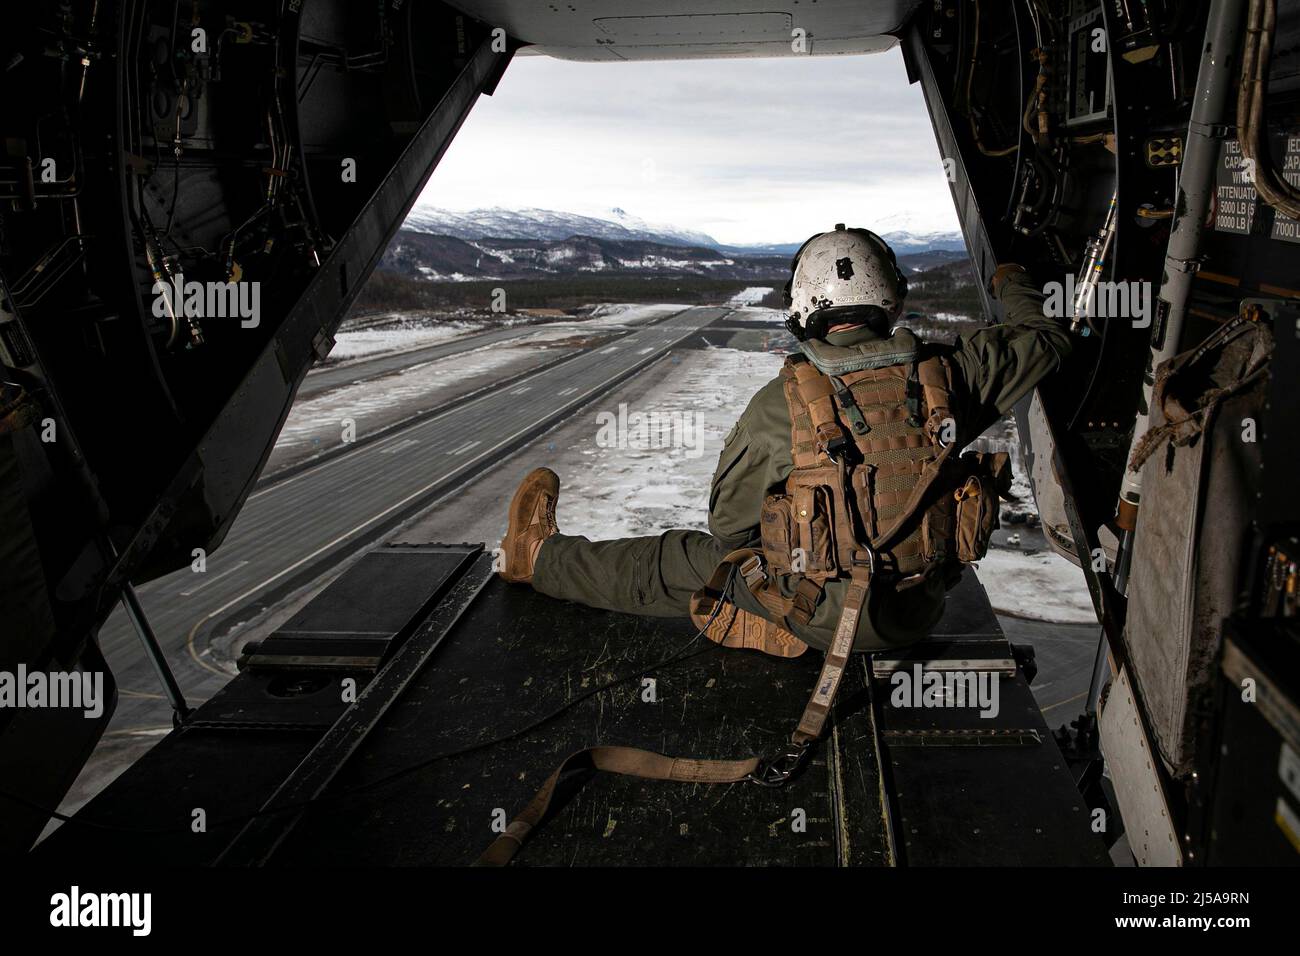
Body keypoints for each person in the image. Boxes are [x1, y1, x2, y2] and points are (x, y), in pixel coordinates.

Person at [497, 225, 1070, 658]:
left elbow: (730, 527)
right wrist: (1009, 280)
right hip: (917, 611)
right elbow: (1046, 338)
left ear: (803, 309)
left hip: (819, 616)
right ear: (891, 300)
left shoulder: (781, 404)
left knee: (681, 559)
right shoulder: (953, 376)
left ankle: (538, 558)